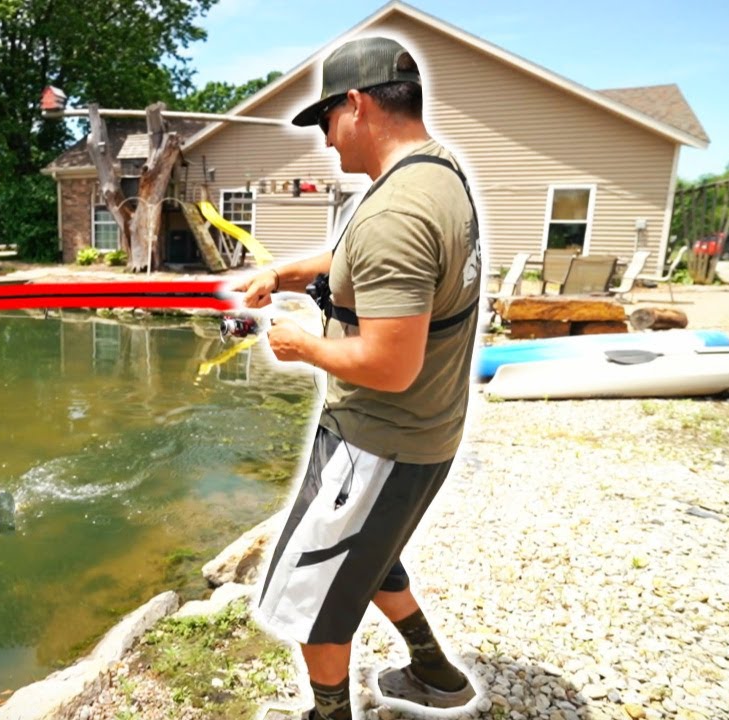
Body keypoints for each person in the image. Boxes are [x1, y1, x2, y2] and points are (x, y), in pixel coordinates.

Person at [232, 36, 483, 720]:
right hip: (427, 435)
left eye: (324, 122)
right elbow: (360, 259)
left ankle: (330, 714)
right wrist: (285, 273)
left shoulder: (396, 212)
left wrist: (302, 345)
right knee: (370, 558)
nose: (324, 142)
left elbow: (389, 364)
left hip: (376, 441)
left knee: (311, 595)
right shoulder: (437, 173)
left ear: (358, 104)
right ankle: (436, 673)